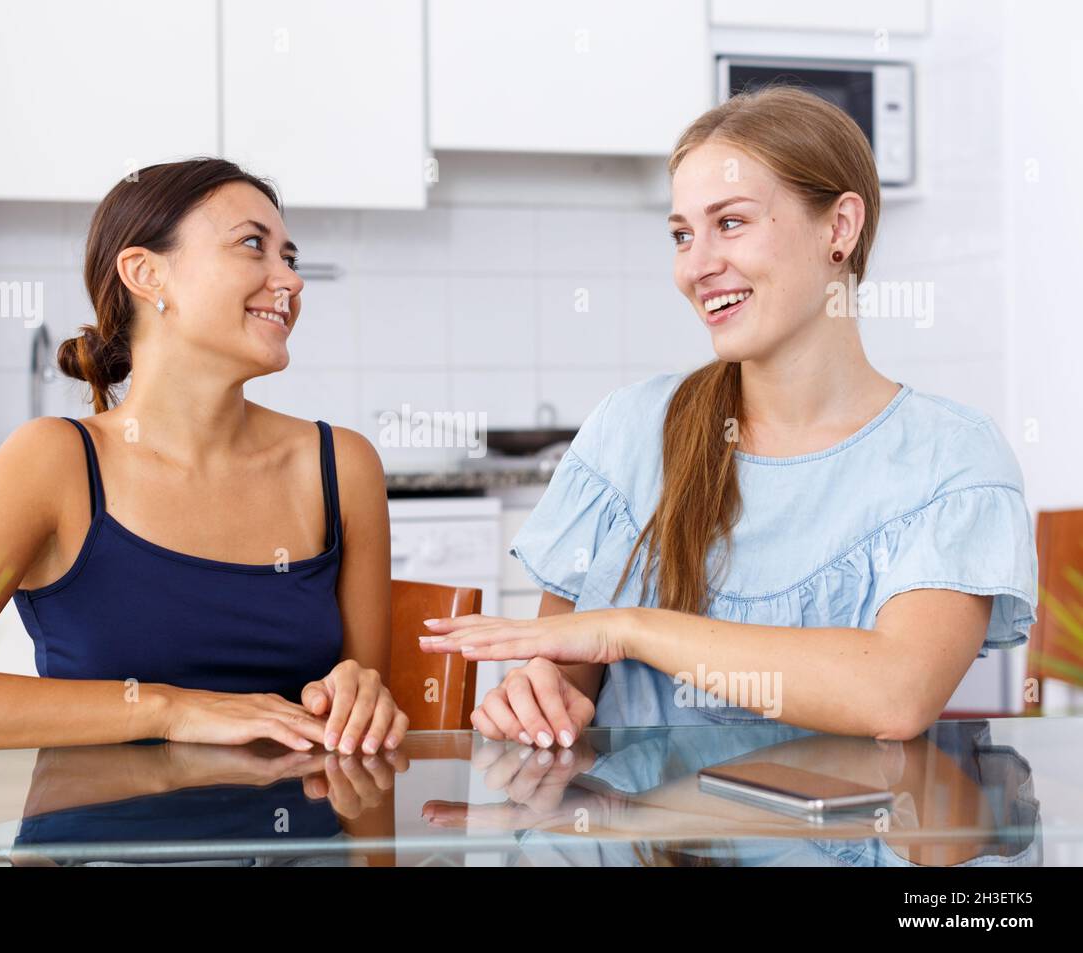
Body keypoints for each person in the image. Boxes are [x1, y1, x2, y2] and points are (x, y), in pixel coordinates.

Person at [421, 87, 1036, 745]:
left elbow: (895, 695)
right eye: (682, 235)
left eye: (731, 223)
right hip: (648, 843)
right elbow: (566, 685)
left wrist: (632, 628)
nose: (697, 266)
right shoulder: (629, 433)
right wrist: (537, 702)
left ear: (840, 227)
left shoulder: (952, 458)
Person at [0, 158, 407, 755]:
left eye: (289, 259)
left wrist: (364, 694)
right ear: (146, 273)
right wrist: (169, 709)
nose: (291, 281)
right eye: (253, 245)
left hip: (297, 845)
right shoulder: (54, 462)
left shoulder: (341, 466)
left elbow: (369, 727)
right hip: (105, 845)